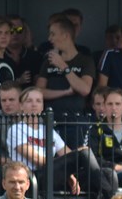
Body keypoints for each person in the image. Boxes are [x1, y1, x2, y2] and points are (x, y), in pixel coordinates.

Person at [37, 15, 95, 149]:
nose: (49, 38)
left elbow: (85, 89)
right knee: (51, 163)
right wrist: (65, 92)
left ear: (65, 35)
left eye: (52, 34)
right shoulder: (48, 62)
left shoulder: (85, 60)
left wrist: (63, 66)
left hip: (75, 123)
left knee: (77, 162)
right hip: (51, 122)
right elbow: (38, 91)